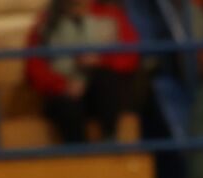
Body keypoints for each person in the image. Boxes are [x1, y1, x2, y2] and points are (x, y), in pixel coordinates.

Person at [26, 0, 140, 144]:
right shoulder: (47, 22)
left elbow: (130, 56)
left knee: (106, 80)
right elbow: (34, 69)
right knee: (67, 105)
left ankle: (110, 140)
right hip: (63, 94)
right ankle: (78, 150)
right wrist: (63, 85)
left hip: (100, 92)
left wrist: (101, 60)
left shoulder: (110, 15)